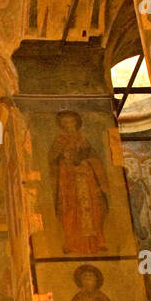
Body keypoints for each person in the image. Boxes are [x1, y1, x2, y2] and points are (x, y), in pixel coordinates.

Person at [48, 110, 108, 256]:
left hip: (86, 180)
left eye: (71, 122)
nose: (69, 125)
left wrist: (85, 162)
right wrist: (65, 161)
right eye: (66, 122)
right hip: (68, 183)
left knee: (93, 210)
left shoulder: (82, 139)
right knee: (70, 211)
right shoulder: (59, 140)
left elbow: (94, 158)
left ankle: (97, 242)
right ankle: (71, 243)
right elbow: (53, 159)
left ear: (76, 123)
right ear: (62, 125)